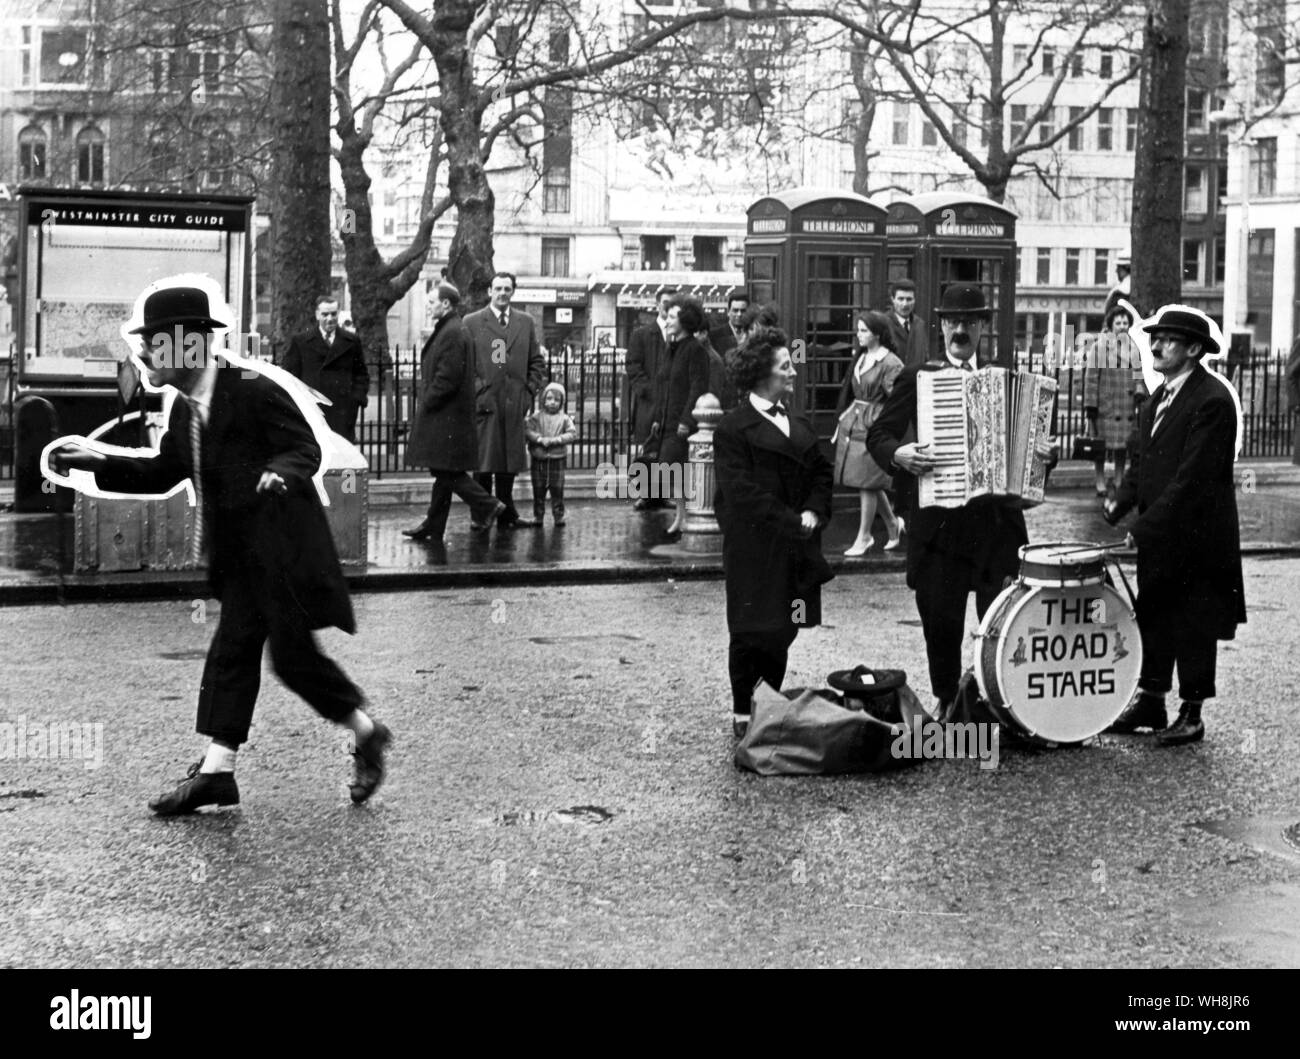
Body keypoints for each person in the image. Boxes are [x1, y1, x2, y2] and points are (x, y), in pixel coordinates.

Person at [47, 281, 390, 814]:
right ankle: (217, 771)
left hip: (284, 553)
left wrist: (279, 472)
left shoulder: (250, 387)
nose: (144, 357)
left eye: (156, 344)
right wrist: (94, 457)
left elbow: (304, 446)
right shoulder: (185, 410)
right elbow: (163, 472)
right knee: (232, 653)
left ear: (191, 344)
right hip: (240, 558)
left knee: (293, 662)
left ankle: (367, 733)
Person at [866, 284, 1030, 715]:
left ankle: (1000, 701)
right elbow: (878, 434)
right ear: (941, 325)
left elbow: (1026, 454)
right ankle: (945, 699)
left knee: (1004, 621)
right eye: (954, 321)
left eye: (970, 322)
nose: (961, 329)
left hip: (995, 525)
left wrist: (1041, 457)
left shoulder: (1005, 379)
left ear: (982, 328)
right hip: (939, 524)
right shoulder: (918, 377)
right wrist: (899, 454)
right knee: (941, 618)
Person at [1103, 306, 1246, 746]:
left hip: (1199, 537)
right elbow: (1141, 464)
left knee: (1194, 621)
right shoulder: (1155, 399)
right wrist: (1119, 505)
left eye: (1167, 339)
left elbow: (1192, 481)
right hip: (1163, 534)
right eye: (1156, 337)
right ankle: (1151, 699)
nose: (1156, 345)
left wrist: (1143, 529)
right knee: (1155, 613)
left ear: (1193, 349)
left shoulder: (1213, 401)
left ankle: (1192, 711)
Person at [714, 328, 833, 738]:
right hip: (755, 549)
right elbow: (740, 493)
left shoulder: (797, 422)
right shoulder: (732, 429)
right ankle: (744, 715)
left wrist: (815, 510)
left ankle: (769, 704)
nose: (794, 372)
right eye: (786, 366)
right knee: (750, 630)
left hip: (797, 547)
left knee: (785, 627)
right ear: (764, 373)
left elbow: (822, 471)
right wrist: (792, 520)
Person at [403, 280, 507, 544]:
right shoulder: (452, 328)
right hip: (450, 417)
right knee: (443, 473)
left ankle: (488, 504)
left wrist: (426, 403)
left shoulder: (451, 332)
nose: (429, 307)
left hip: (445, 417)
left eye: (432, 302)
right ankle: (433, 526)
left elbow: (446, 378)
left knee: (448, 474)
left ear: (446, 303)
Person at [463, 271, 547, 528]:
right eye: (497, 288)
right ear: (490, 291)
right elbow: (465, 363)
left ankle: (506, 514)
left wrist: (528, 391)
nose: (502, 293)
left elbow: (536, 361)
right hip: (485, 403)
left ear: (513, 292)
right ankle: (481, 515)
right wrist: (479, 390)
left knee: (508, 461)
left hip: (513, 403)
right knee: (485, 461)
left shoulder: (525, 321)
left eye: (507, 289)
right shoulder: (473, 321)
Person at [834, 312, 904, 556]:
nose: (858, 334)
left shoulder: (891, 362)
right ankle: (893, 524)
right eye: (858, 330)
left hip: (875, 426)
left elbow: (897, 398)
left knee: (867, 482)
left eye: (863, 330)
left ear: (877, 333)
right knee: (869, 483)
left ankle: (864, 536)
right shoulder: (862, 356)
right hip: (855, 423)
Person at [657, 294, 711, 535]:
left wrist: (687, 420)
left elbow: (698, 387)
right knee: (672, 472)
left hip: (682, 423)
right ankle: (681, 516)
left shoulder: (695, 350)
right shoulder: (672, 348)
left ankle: (683, 516)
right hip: (668, 421)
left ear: (685, 320)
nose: (666, 320)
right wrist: (658, 417)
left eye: (671, 317)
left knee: (676, 471)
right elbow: (666, 384)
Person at [282, 296, 369, 443]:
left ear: (338, 313)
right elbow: (290, 377)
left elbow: (361, 374)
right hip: (313, 410)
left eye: (334, 314)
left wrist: (355, 399)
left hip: (343, 410)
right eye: (325, 314)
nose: (330, 319)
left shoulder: (351, 341)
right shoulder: (301, 341)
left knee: (341, 456)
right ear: (317, 315)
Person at [1082, 305, 1148, 496]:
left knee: (1122, 447)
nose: (1122, 326)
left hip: (1125, 404)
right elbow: (1091, 378)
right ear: (1110, 325)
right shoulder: (1099, 346)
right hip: (1106, 405)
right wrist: (1090, 406)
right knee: (1100, 447)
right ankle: (1100, 481)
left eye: (1125, 322)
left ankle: (1119, 479)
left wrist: (1138, 389)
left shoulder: (1134, 348)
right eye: (1118, 322)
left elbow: (1138, 375)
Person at [626, 288, 674, 511]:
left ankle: (663, 495)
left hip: (672, 402)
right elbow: (633, 366)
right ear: (657, 305)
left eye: (672, 303)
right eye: (665, 302)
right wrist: (646, 389)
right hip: (650, 402)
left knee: (668, 449)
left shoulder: (680, 334)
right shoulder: (642, 334)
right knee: (648, 448)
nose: (668, 306)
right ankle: (647, 495)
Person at [524, 381, 578, 526]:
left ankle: (558, 516)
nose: (552, 402)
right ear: (543, 400)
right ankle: (538, 516)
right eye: (549, 399)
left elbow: (572, 434)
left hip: (557, 459)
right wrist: (539, 439)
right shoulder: (536, 417)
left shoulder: (565, 419)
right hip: (539, 458)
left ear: (562, 402)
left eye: (556, 399)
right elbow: (528, 430)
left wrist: (557, 440)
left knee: (557, 490)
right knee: (538, 490)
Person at [697, 323, 739, 411]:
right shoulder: (701, 356)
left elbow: (712, 397)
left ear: (704, 334)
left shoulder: (712, 360)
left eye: (694, 333)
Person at [886, 279, 920, 366]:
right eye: (900, 299)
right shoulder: (884, 323)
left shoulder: (920, 324)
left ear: (915, 300)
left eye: (909, 299)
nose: (905, 304)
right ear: (892, 299)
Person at [710, 290, 751, 356]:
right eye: (735, 310)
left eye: (743, 311)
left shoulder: (754, 335)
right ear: (728, 312)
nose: (739, 314)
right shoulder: (714, 336)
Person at [1103, 254, 1132, 320]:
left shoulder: (1120, 291)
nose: (1116, 271)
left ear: (1125, 269)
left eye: (1118, 268)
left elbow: (1110, 316)